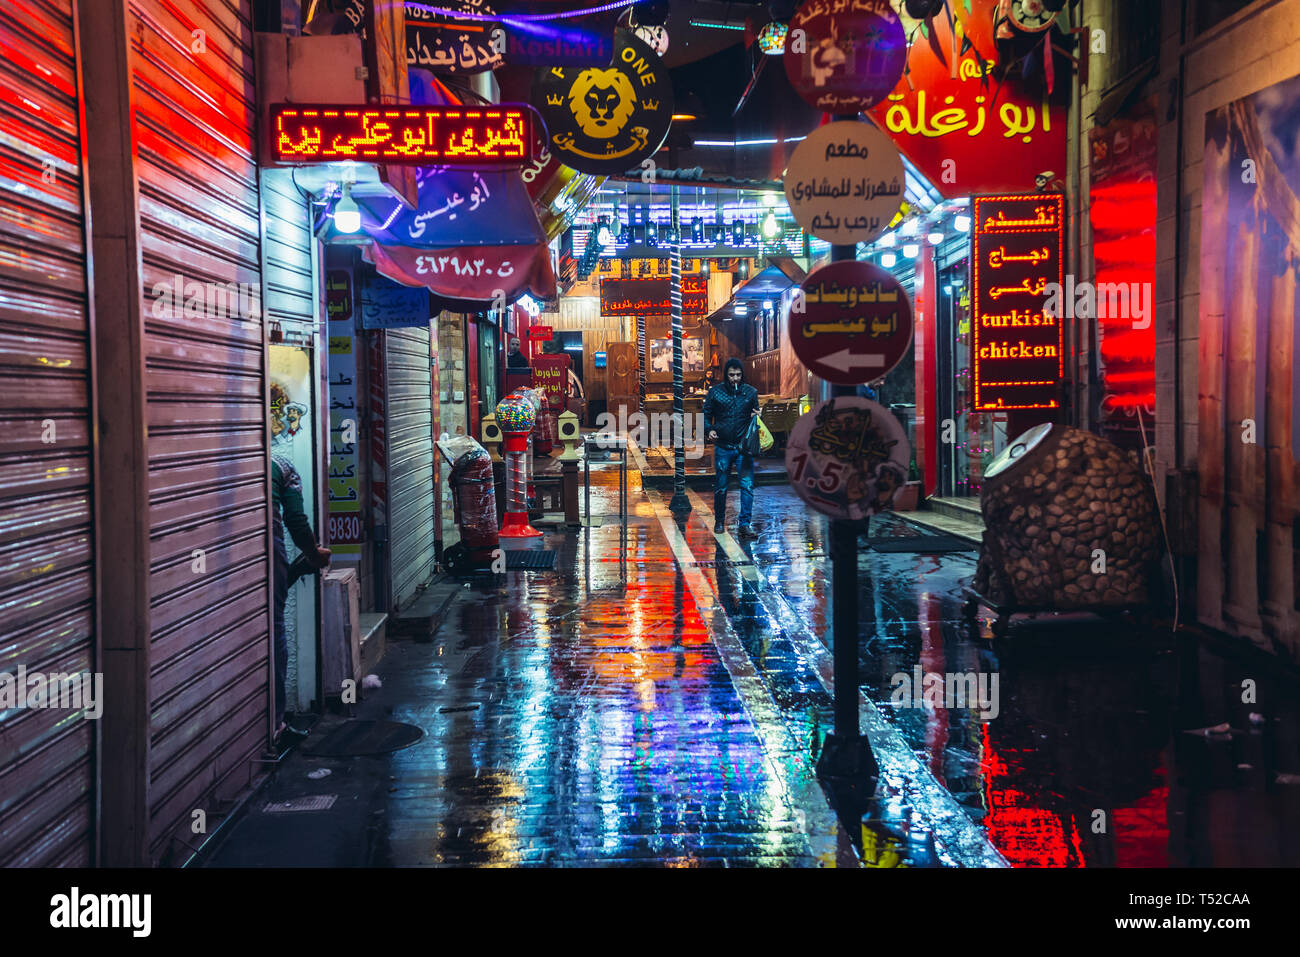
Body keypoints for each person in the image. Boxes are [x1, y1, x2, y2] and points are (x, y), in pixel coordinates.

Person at [271, 452, 330, 745]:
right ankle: (276, 725)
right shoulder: (284, 467)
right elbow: (295, 519)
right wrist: (313, 553)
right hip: (267, 548)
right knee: (274, 630)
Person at [703, 358, 760, 536]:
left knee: (747, 486)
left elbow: (756, 414)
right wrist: (709, 429)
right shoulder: (715, 392)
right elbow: (706, 413)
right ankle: (719, 521)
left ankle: (745, 524)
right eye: (731, 375)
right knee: (721, 486)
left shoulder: (750, 392)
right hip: (723, 446)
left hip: (744, 446)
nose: (735, 378)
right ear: (726, 375)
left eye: (738, 375)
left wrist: (757, 414)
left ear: (742, 375)